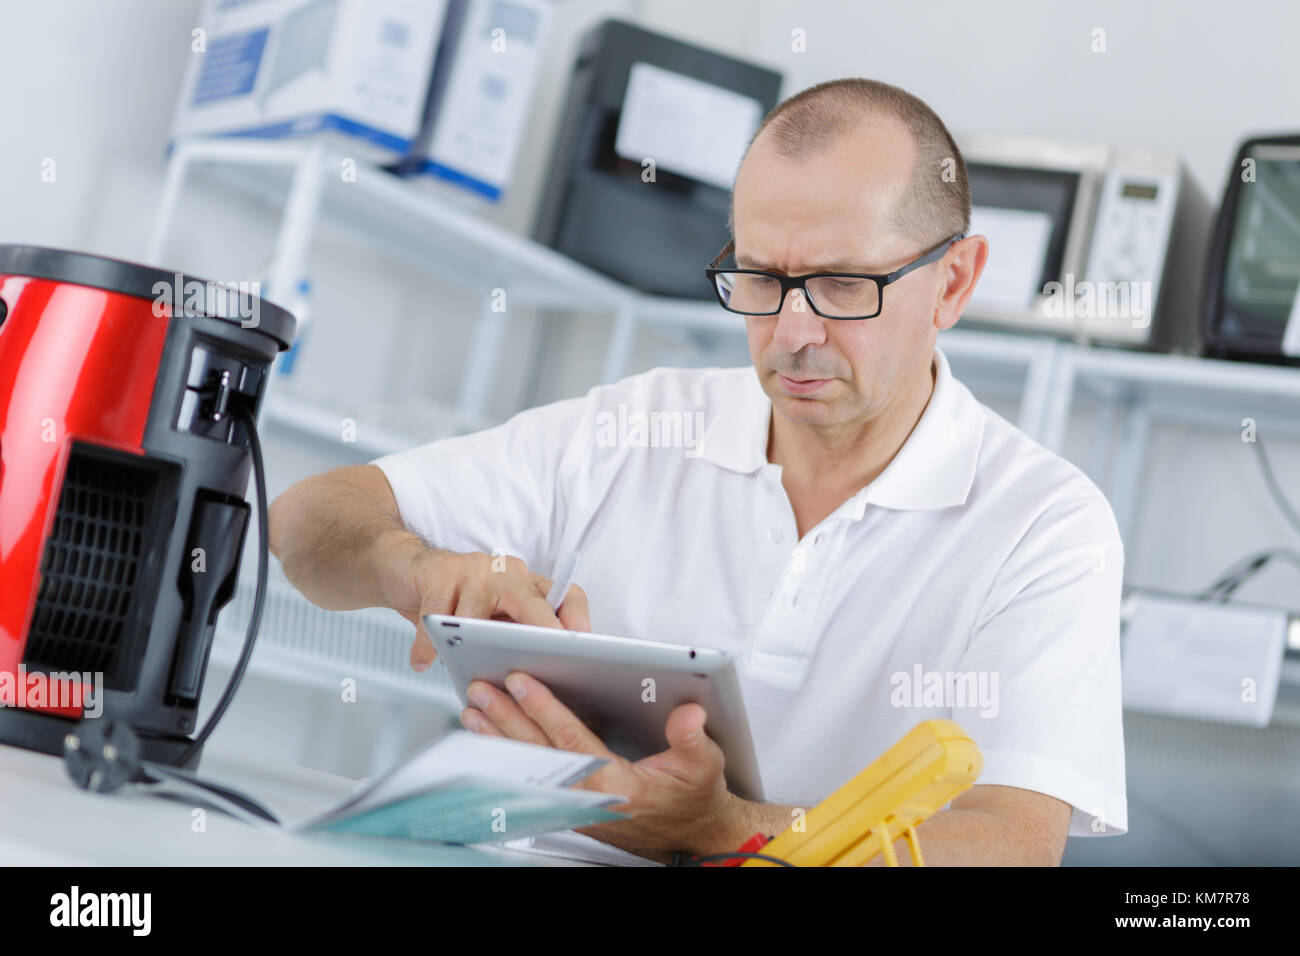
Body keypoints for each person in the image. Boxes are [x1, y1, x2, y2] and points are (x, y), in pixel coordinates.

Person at [269, 77, 1126, 865]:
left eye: (839, 285)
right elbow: (307, 519)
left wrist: (721, 831)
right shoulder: (640, 426)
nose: (791, 333)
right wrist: (414, 569)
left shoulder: (1044, 524)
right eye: (759, 277)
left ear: (952, 283)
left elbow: (1010, 844)